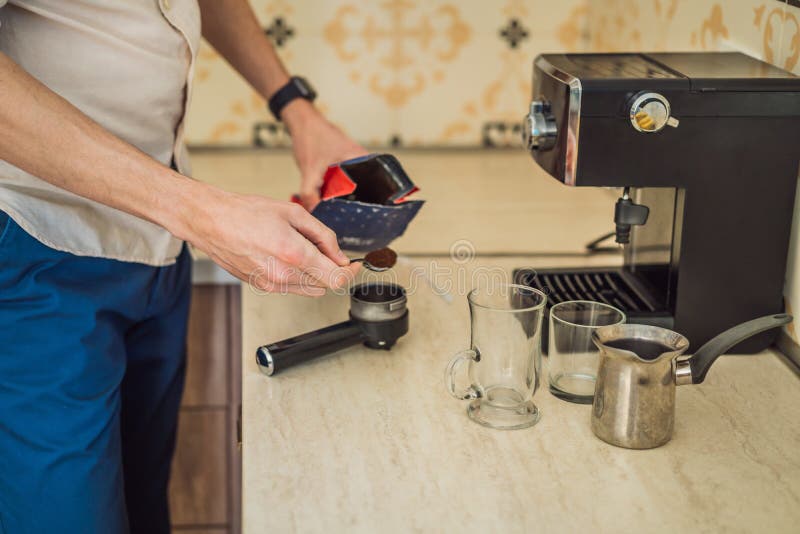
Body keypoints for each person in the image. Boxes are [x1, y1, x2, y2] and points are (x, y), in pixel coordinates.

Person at [0, 1, 364, 532]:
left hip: (161, 243)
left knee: (145, 507)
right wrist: (200, 211)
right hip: (35, 252)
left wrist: (295, 108)